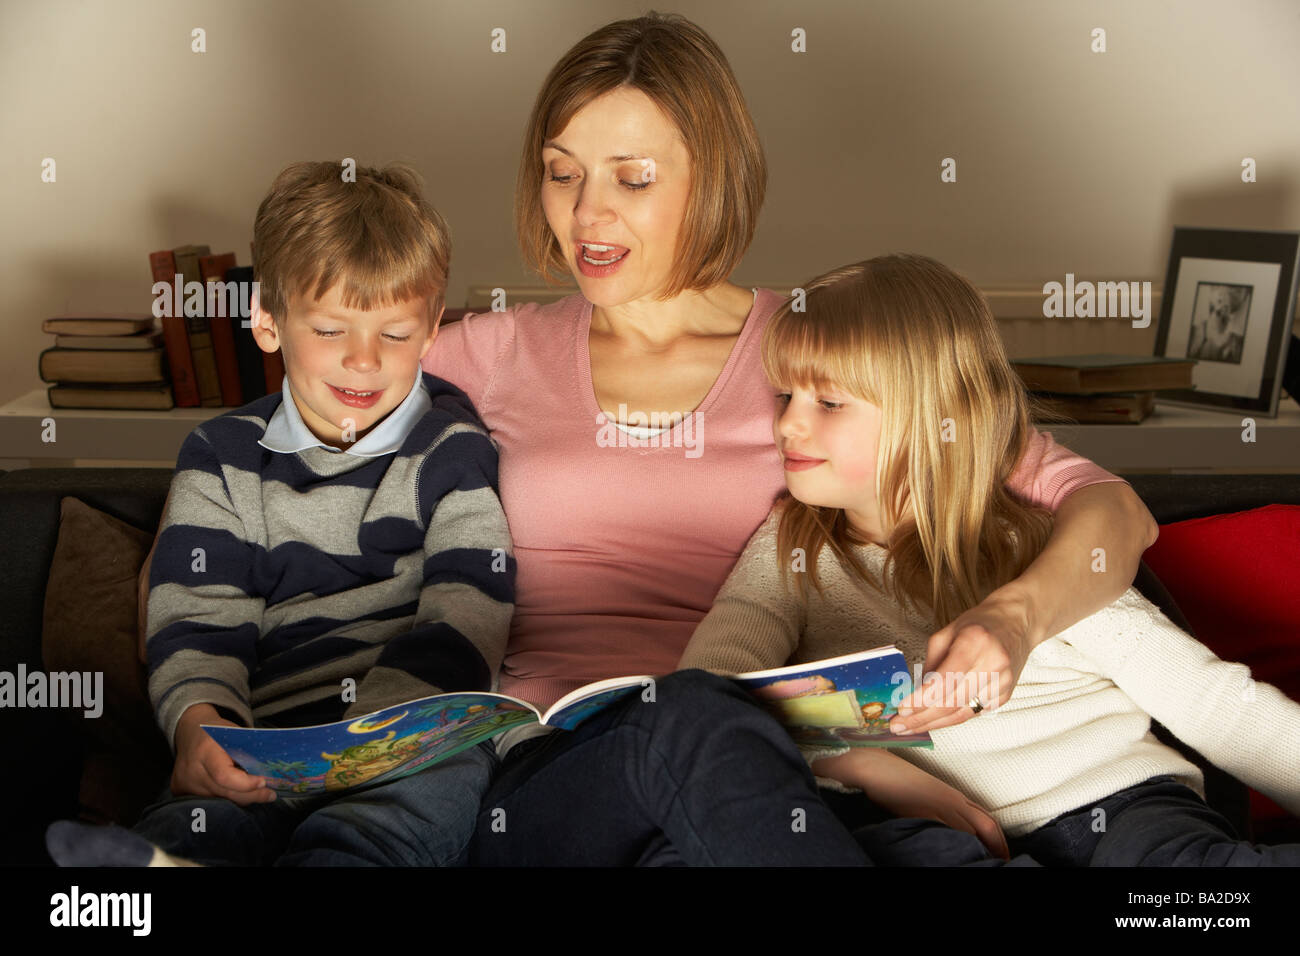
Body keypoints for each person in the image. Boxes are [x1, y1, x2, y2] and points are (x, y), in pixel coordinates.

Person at [422, 13, 1159, 865]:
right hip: (566, 773)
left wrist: (1015, 619)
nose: (587, 211)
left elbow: (1114, 512)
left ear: (714, 180)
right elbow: (300, 411)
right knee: (691, 711)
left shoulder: (816, 351)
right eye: (562, 173)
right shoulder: (488, 351)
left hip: (792, 777)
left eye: (632, 178)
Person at [679, 253, 1300, 866]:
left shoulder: (1035, 548)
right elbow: (709, 698)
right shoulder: (790, 544)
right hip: (920, 822)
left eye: (830, 403)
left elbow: (1213, 702)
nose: (788, 424)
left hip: (1114, 803)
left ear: (936, 419)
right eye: (787, 394)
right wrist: (851, 761)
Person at [47, 160, 514, 867]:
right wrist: (200, 727)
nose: (363, 362)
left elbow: (468, 609)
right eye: (330, 330)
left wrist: (374, 738)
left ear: (428, 332)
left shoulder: (453, 450)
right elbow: (196, 617)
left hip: (408, 735)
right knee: (204, 816)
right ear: (268, 322)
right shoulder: (221, 456)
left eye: (393, 335)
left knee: (416, 807)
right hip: (266, 739)